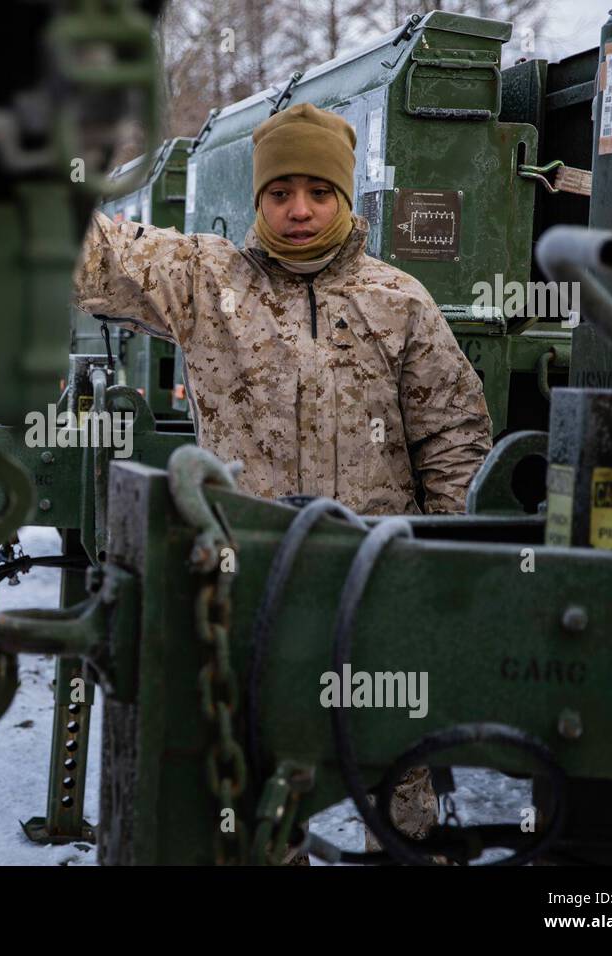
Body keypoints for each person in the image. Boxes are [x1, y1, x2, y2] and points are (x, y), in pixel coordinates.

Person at [71, 102, 493, 857]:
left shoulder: (400, 304)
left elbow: (454, 444)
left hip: (376, 581)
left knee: (395, 769)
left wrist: (444, 575)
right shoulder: (206, 283)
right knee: (252, 771)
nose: (299, 210)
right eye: (279, 192)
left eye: (319, 191)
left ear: (344, 195)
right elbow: (93, 255)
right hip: (251, 582)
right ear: (258, 200)